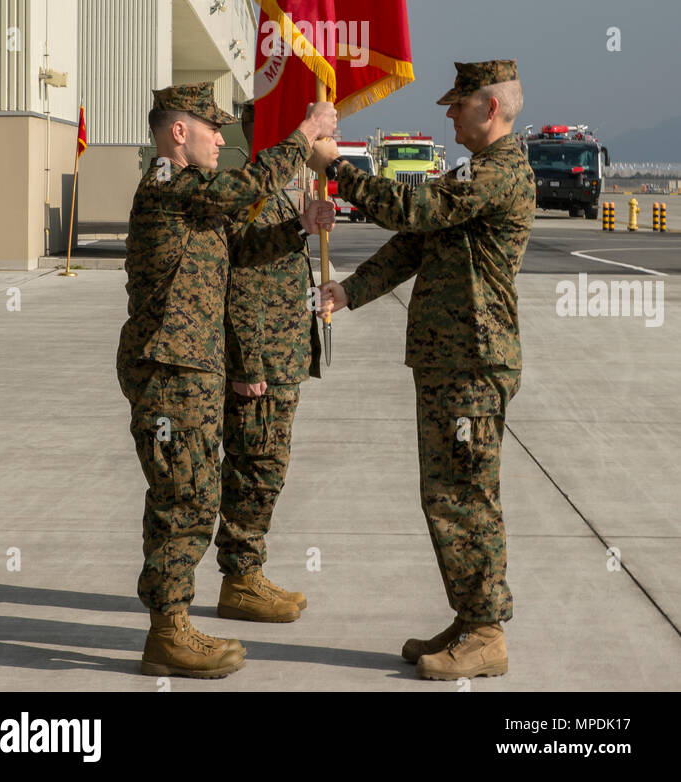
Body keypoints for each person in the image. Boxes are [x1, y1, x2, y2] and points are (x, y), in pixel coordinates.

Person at [319, 61, 535, 681]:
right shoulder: (475, 172)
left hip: (472, 359)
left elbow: (412, 209)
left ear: (488, 108)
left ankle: (487, 629)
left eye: (458, 104)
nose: (449, 114)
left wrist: (338, 169)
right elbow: (418, 243)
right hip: (450, 359)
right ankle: (471, 615)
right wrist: (351, 292)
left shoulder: (500, 174)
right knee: (444, 492)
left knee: (463, 495)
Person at [117, 83, 337, 680]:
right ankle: (167, 630)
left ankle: (178, 617)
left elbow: (236, 243)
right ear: (178, 132)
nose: (223, 136)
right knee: (182, 497)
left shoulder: (194, 199)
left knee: (194, 494)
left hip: (192, 368)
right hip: (170, 370)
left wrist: (298, 228)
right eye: (212, 127)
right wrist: (306, 135)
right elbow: (250, 187)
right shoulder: (169, 184)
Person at [215, 99, 325, 623]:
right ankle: (239, 579)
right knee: (254, 469)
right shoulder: (246, 193)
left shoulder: (274, 197)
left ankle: (250, 571)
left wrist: (301, 226)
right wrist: (247, 367)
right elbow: (237, 284)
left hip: (282, 359)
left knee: (268, 469)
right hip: (262, 366)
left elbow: (261, 254)